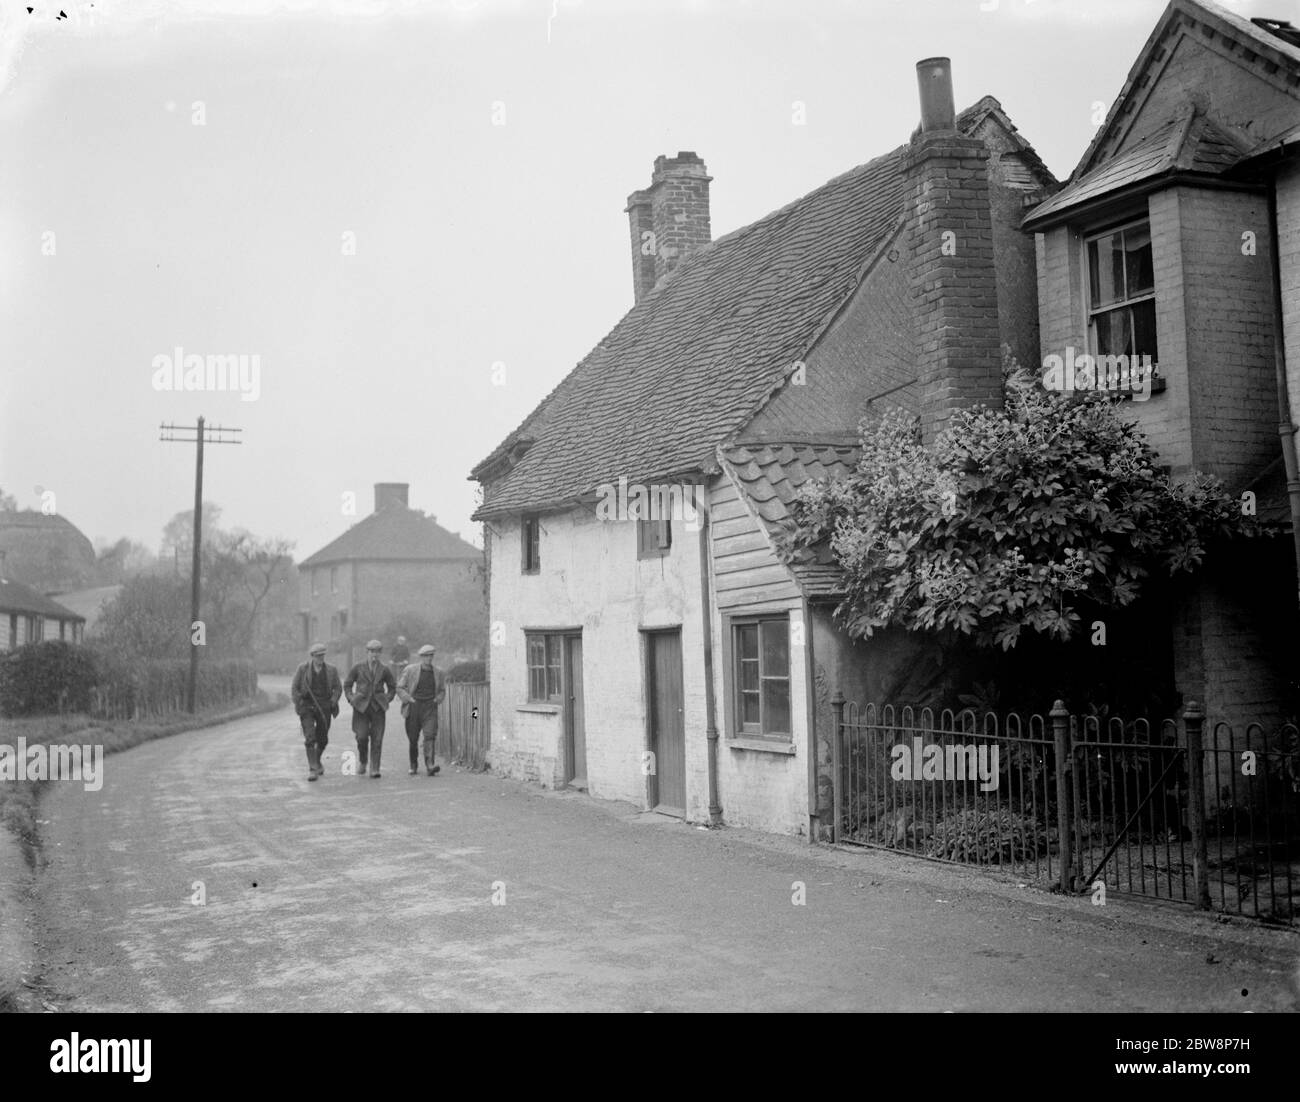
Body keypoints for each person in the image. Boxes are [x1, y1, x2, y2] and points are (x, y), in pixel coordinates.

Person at [344, 639, 397, 778]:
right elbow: (348, 684)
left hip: (378, 708)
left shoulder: (384, 669)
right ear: (367, 652)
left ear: (380, 653)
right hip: (361, 707)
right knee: (361, 737)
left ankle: (375, 768)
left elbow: (392, 687)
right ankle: (363, 760)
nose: (375, 654)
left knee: (377, 739)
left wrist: (387, 698)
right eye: (372, 651)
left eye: (377, 652)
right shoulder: (357, 667)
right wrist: (351, 698)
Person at [290, 643, 341, 782]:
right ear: (312, 656)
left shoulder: (331, 670)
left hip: (324, 707)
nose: (321, 658)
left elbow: (338, 688)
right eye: (318, 656)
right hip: (307, 707)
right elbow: (294, 688)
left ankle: (317, 760)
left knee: (323, 740)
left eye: (322, 655)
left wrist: (333, 700)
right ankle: (312, 769)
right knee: (310, 738)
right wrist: (299, 703)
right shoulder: (303, 669)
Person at [397, 644, 445, 776]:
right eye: (426, 656)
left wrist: (437, 699)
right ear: (421, 657)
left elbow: (442, 691)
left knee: (430, 736)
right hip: (414, 707)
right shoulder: (410, 670)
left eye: (431, 656)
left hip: (430, 708)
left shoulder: (439, 672)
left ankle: (430, 765)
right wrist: (408, 698)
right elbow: (400, 687)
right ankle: (413, 764)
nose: (429, 658)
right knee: (413, 738)